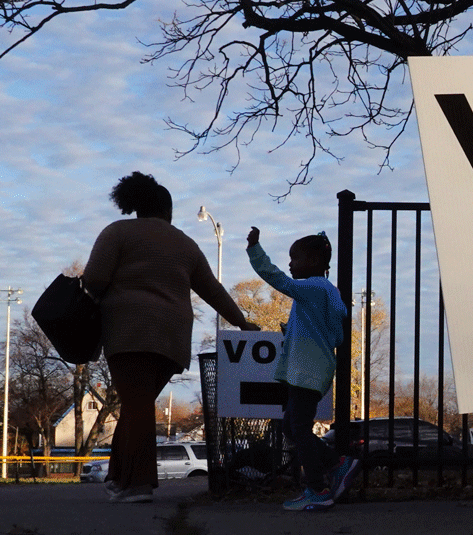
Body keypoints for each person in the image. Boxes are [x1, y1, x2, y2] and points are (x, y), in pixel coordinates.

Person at [83, 172, 258, 502]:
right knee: (138, 405)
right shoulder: (186, 245)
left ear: (136, 207)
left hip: (128, 332)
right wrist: (242, 322)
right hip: (172, 337)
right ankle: (119, 478)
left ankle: (138, 484)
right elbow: (213, 290)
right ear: (167, 210)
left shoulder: (117, 232)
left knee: (136, 406)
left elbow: (94, 278)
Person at [245, 225, 357, 510]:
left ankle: (318, 489)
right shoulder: (328, 294)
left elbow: (279, 280)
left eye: (295, 258)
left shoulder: (313, 288)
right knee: (291, 427)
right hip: (313, 369)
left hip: (306, 371)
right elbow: (334, 334)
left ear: (314, 262)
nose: (290, 264)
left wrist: (255, 251)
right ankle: (336, 464)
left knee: (300, 429)